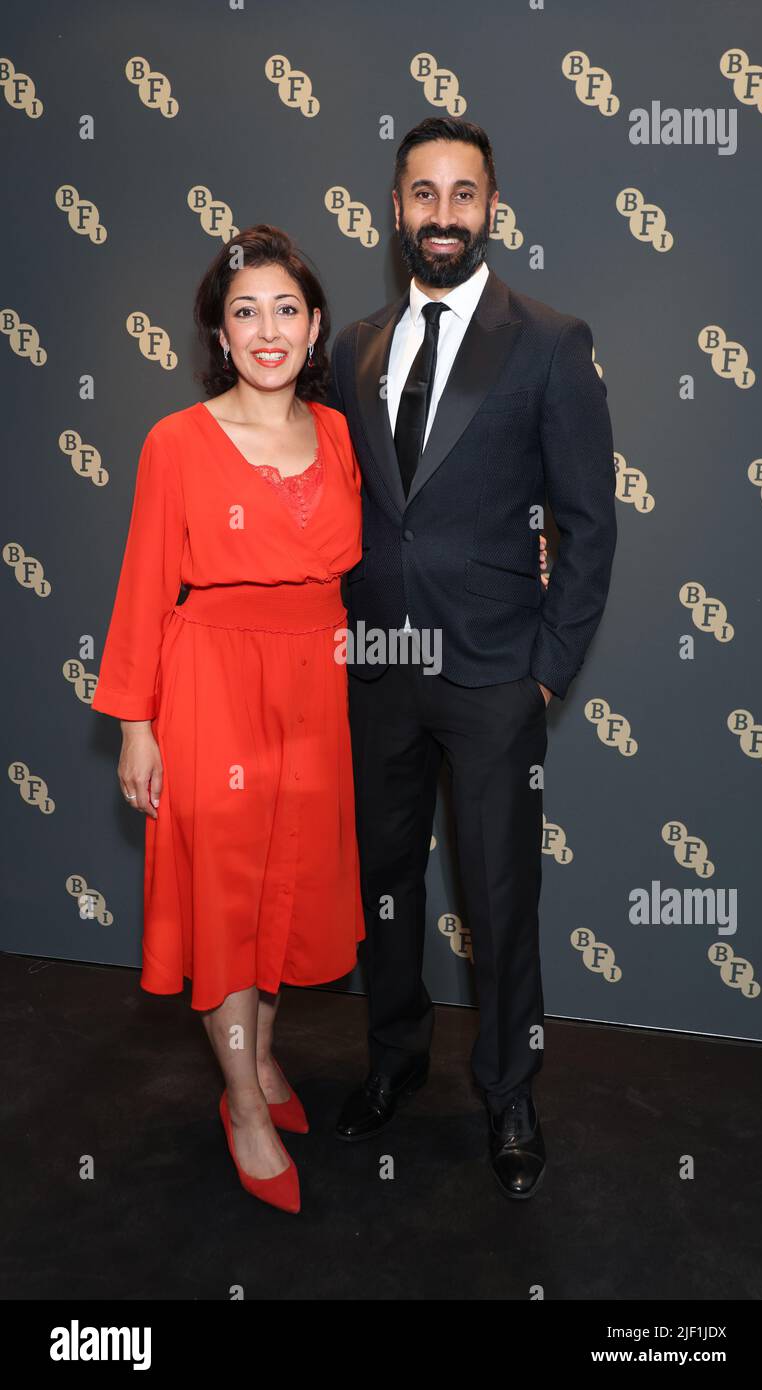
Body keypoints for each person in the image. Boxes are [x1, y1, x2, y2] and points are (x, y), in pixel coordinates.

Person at [326, 117, 617, 1199]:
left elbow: (588, 521)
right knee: (385, 884)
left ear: (489, 208)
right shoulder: (351, 346)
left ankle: (507, 1090)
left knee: (498, 895)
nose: (440, 214)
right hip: (377, 668)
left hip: (495, 671)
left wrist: (547, 663)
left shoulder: (547, 339)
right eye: (420, 193)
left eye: (461, 194)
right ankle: (393, 1060)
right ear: (393, 208)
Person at [91, 226, 365, 1215]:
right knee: (223, 901)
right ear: (217, 328)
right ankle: (242, 1099)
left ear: (314, 321)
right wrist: (135, 722)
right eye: (243, 309)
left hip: (315, 692)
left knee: (283, 894)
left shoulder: (338, 435)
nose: (266, 328)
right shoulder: (176, 440)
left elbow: (397, 557)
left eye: (284, 308)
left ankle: (264, 1052)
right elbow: (141, 591)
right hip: (209, 688)